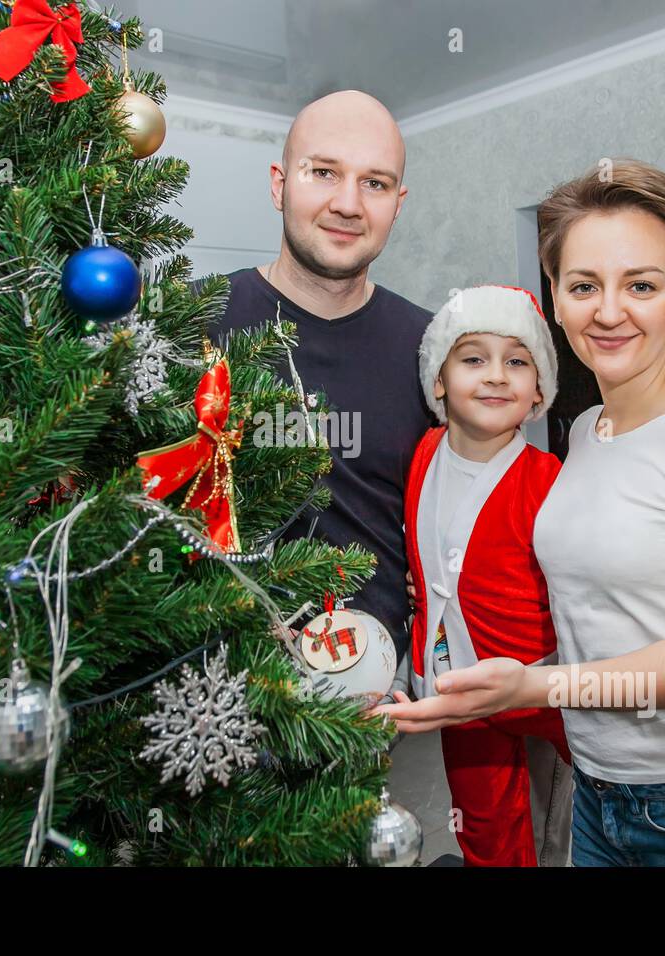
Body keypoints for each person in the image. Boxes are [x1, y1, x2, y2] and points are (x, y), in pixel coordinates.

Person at [373, 158, 665, 867]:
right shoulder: (583, 436)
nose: (608, 312)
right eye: (584, 286)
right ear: (556, 299)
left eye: (641, 285)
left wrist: (532, 686)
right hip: (598, 798)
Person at [204, 90, 435, 672]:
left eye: (375, 183)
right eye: (324, 172)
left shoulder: (435, 347)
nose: (348, 203)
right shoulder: (195, 321)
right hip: (208, 688)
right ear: (280, 184)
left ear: (398, 203)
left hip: (372, 700)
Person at [385, 284, 572, 866]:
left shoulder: (551, 480)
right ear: (439, 381)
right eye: (473, 358)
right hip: (455, 683)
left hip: (542, 684)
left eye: (517, 362)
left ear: (538, 390)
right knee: (484, 823)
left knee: (580, 803)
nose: (496, 376)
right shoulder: (421, 454)